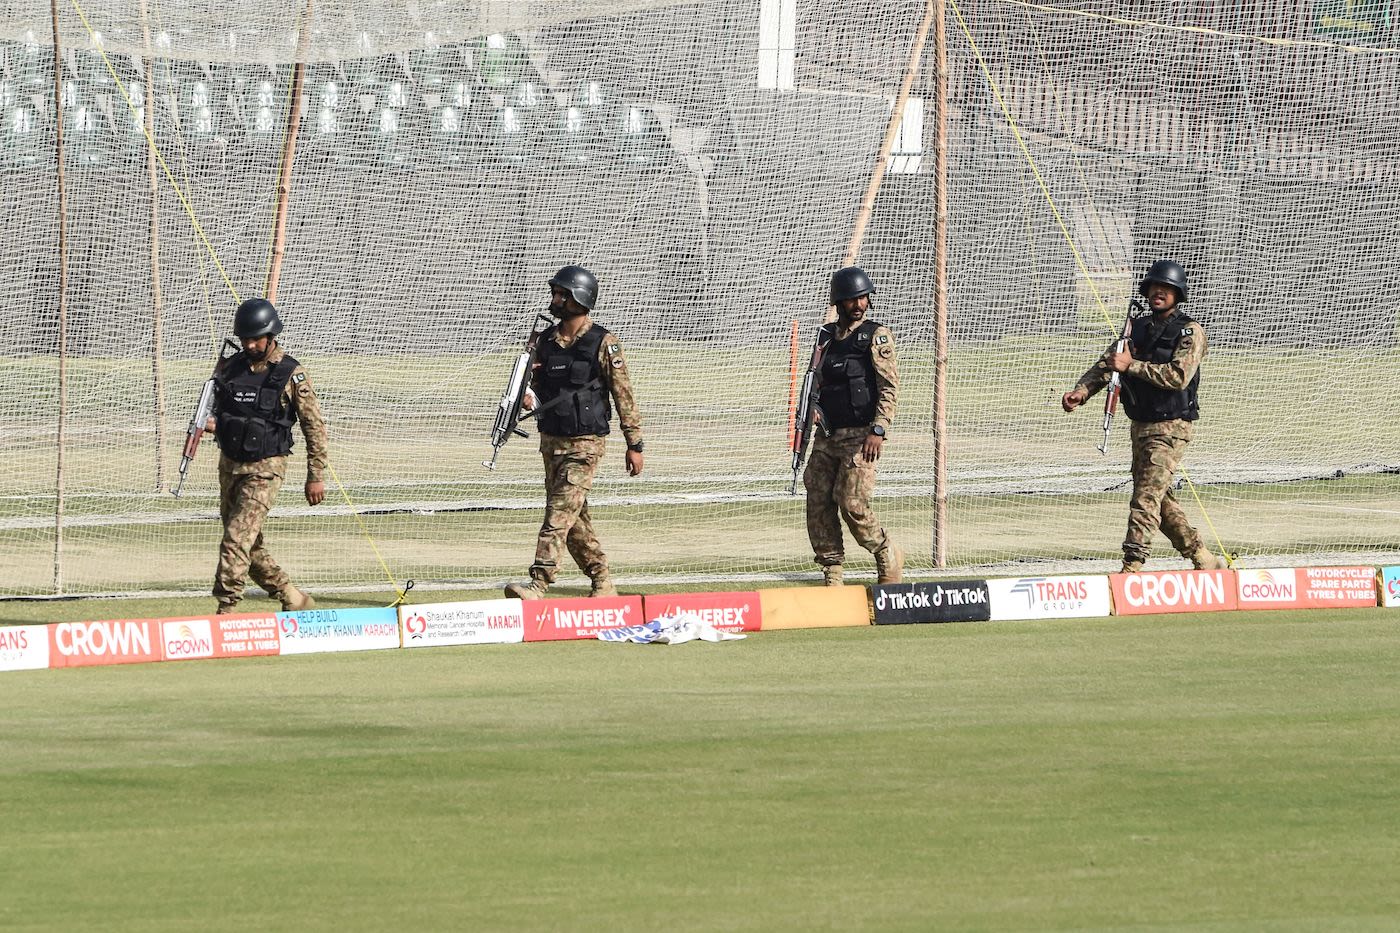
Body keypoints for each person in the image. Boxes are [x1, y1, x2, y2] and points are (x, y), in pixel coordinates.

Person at [1061, 259, 1222, 573]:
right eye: (1154, 288)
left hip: (1171, 426)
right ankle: (1202, 556)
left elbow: (1177, 376)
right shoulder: (1137, 329)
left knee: (1145, 496)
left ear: (1178, 294)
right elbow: (1108, 363)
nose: (1158, 293)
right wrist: (1081, 391)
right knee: (1158, 499)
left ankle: (1132, 565)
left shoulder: (1189, 332)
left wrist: (1130, 365)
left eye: (1166, 289)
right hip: (1141, 425)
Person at [504, 265, 644, 600]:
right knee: (573, 517)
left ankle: (539, 583)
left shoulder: (603, 342)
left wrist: (634, 443)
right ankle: (602, 579)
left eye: (562, 294)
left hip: (586, 444)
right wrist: (528, 398)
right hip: (551, 441)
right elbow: (534, 388)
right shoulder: (544, 342)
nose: (555, 299)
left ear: (579, 299)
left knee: (558, 514)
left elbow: (623, 394)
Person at [210, 298, 329, 613]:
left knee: (236, 540)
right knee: (248, 545)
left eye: (256, 338)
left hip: (266, 468)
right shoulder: (229, 367)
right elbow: (219, 411)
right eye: (245, 339)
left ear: (271, 334)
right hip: (230, 466)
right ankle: (291, 595)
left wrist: (315, 476)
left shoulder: (290, 373)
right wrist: (212, 423)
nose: (249, 344)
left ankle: (226, 609)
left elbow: (314, 427)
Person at [804, 265, 903, 586]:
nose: (858, 304)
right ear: (839, 302)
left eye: (863, 297)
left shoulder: (876, 336)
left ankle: (885, 552)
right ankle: (832, 569)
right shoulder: (825, 339)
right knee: (818, 499)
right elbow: (813, 384)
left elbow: (889, 387)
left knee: (852, 503)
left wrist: (879, 429)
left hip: (862, 436)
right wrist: (811, 413)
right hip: (828, 436)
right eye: (851, 299)